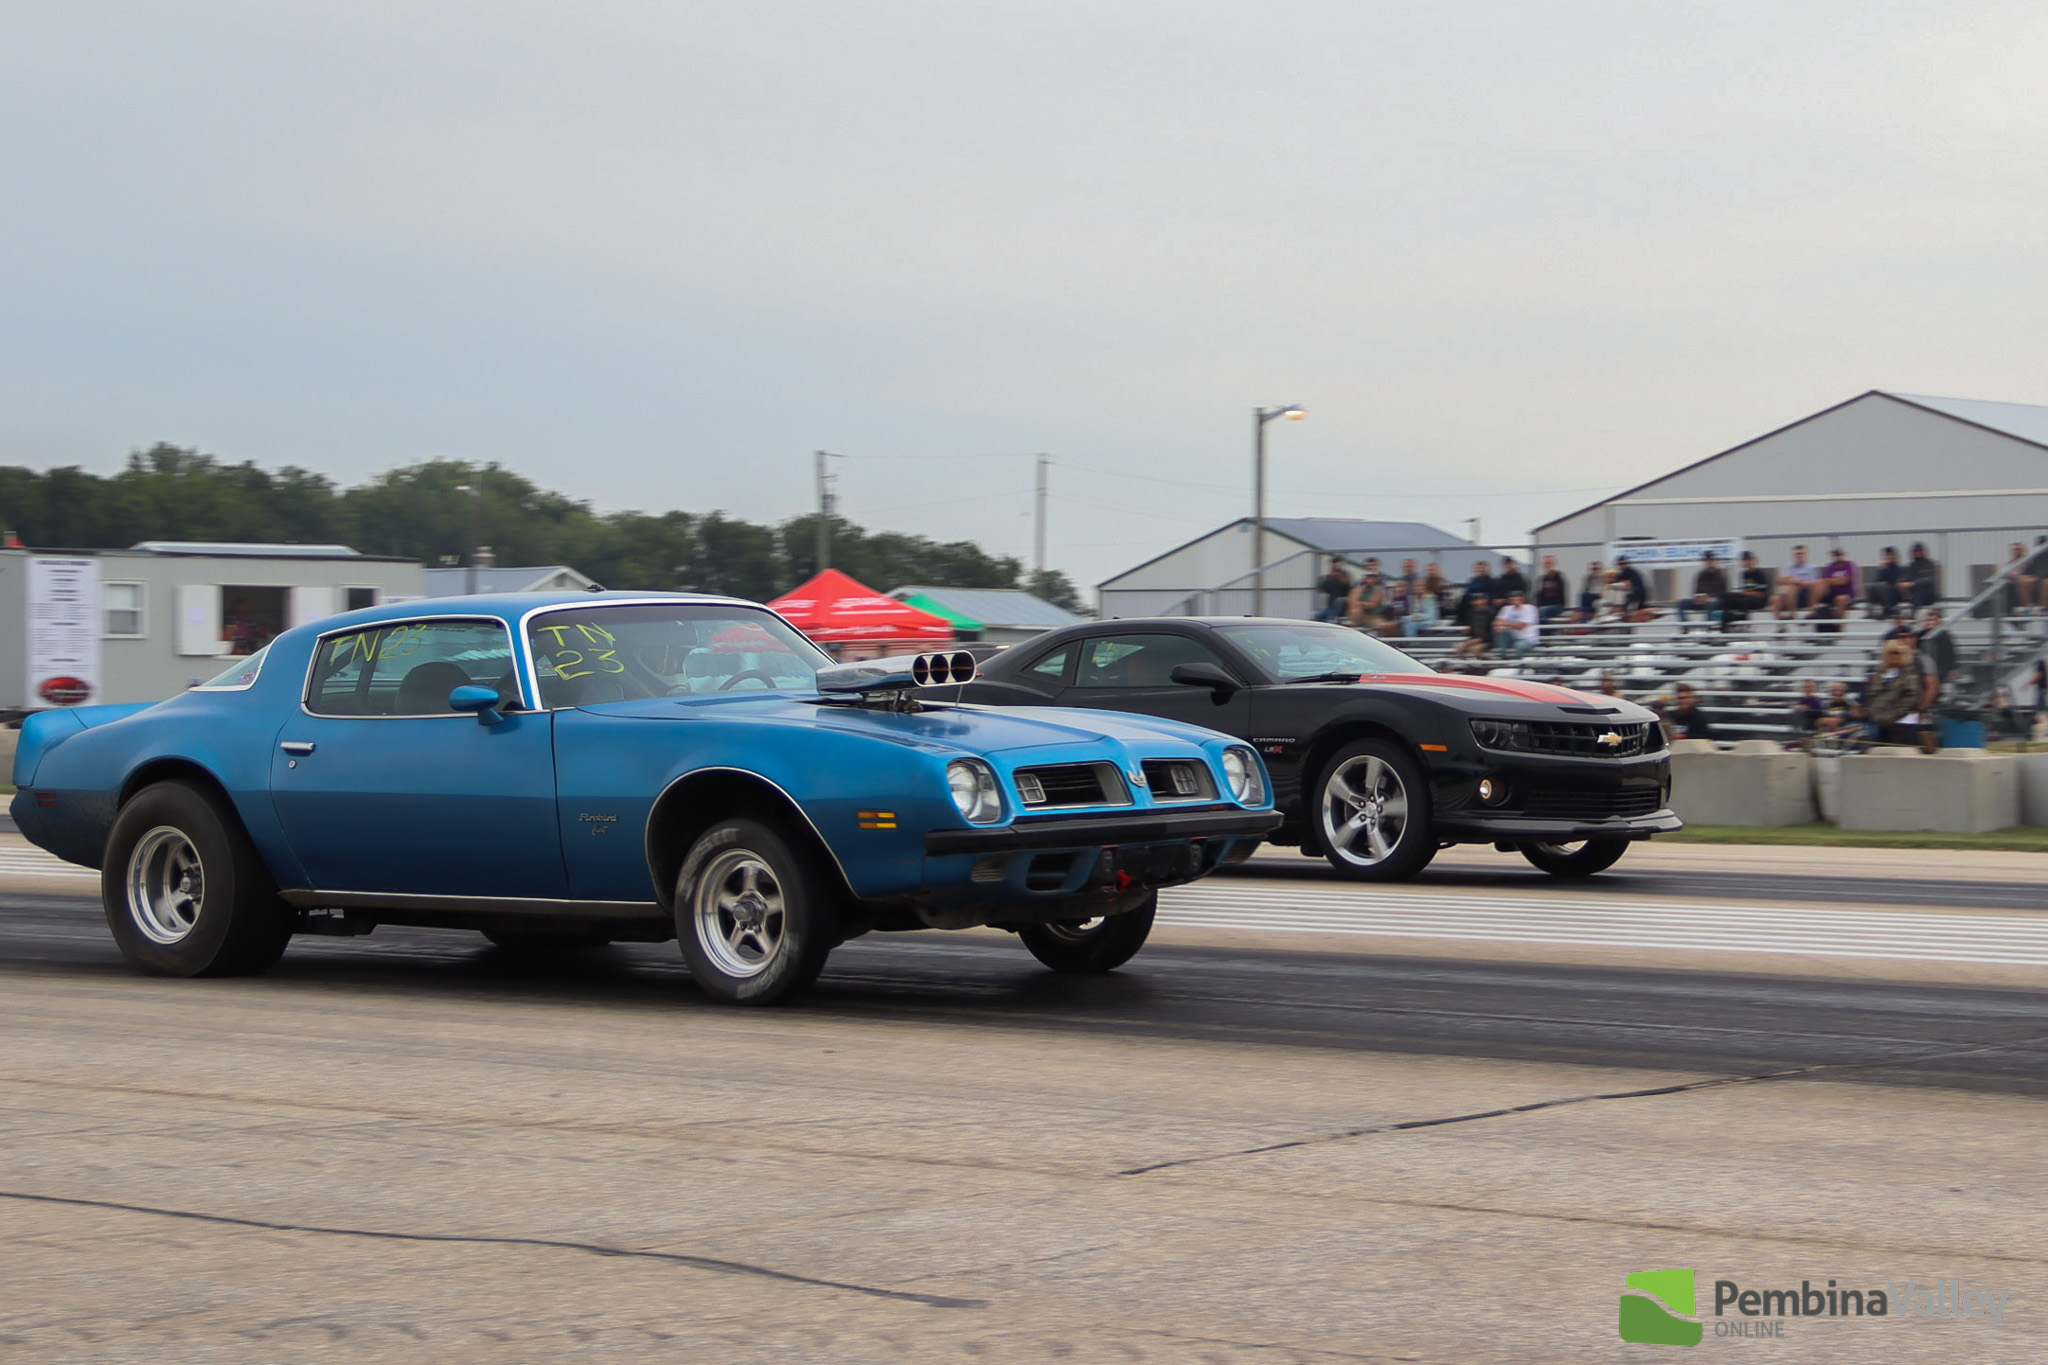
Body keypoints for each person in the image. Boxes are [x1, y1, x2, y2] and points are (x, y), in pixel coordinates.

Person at [1864, 637, 1938, 750]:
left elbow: (1912, 698)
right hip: (1881, 724)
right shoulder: (1879, 675)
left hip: (1904, 725)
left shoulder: (1910, 674)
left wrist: (1890, 716)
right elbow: (1873, 697)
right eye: (1890, 653)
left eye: (1897, 653)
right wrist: (1876, 715)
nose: (1893, 656)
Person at [1719, 551, 1772, 631]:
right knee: (1725, 596)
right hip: (1746, 597)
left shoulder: (1760, 574)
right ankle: (1727, 618)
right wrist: (1743, 593)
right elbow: (1744, 591)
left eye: (1747, 560)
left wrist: (1746, 593)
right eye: (1744, 560)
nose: (1745, 562)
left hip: (1759, 600)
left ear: (1752, 561)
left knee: (1743, 600)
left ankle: (1742, 616)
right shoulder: (1744, 574)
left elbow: (1762, 593)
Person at [1676, 551, 1726, 626]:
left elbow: (1723, 592)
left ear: (1714, 561)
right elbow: (1695, 591)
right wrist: (1698, 597)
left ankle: (1707, 627)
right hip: (1702, 601)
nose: (1709, 562)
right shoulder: (1700, 575)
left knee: (1711, 604)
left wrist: (1709, 597)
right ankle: (1686, 626)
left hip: (1714, 601)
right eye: (1707, 560)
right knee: (1681, 603)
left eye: (1711, 560)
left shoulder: (1721, 575)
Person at [1773, 544, 1820, 618]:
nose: (1799, 555)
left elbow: (1815, 585)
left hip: (1807, 595)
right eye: (1797, 554)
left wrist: (1798, 582)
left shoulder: (1813, 568)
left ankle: (1808, 613)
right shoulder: (1790, 567)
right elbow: (1784, 580)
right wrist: (1789, 581)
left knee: (1793, 587)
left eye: (1801, 553)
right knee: (1775, 599)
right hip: (1791, 596)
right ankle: (1782, 626)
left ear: (1806, 554)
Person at [1915, 607, 1956, 685]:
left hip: (1939, 670)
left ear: (1939, 621)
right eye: (1928, 620)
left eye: (1934, 620)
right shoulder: (1919, 635)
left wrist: (1951, 669)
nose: (1931, 622)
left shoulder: (1944, 636)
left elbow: (1950, 653)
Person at [1493, 590, 1539, 659]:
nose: (1516, 601)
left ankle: (1520, 664)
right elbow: (1497, 623)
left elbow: (1521, 626)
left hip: (1527, 639)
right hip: (1512, 637)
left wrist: (1506, 623)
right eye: (1513, 600)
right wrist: (1499, 626)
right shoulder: (1506, 608)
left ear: (1523, 599)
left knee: (1519, 645)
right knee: (1499, 633)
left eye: (1518, 599)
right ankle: (1503, 659)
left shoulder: (1530, 608)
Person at [1347, 567, 1388, 632]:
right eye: (1368, 577)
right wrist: (1359, 593)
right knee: (1355, 610)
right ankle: (1354, 627)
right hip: (1361, 615)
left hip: (1374, 616)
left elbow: (1373, 605)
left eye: (1372, 578)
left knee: (1382, 626)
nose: (1370, 580)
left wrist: (1360, 603)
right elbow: (1352, 602)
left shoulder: (1380, 590)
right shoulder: (1358, 589)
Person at [1867, 546, 1904, 618]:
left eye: (1891, 555)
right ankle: (1870, 611)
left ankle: (1887, 611)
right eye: (1887, 555)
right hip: (1883, 594)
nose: (1889, 557)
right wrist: (1882, 570)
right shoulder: (1883, 569)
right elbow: (1877, 581)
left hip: (1894, 594)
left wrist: (1887, 571)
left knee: (1885, 586)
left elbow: (1897, 583)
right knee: (1871, 586)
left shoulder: (1899, 569)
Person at [1456, 560, 1495, 627]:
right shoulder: (1473, 580)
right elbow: (1469, 592)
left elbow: (1492, 593)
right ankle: (1461, 620)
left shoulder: (1492, 581)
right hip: (1473, 599)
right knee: (1464, 598)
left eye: (1483, 568)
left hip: (1485, 600)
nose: (1481, 570)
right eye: (1479, 568)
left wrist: (1482, 600)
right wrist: (1473, 600)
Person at [1821, 548, 1859, 617]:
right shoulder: (1831, 566)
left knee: (1840, 599)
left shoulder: (1849, 565)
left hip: (1848, 594)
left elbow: (1847, 579)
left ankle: (1839, 623)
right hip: (1833, 594)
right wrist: (1840, 580)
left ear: (1844, 555)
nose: (1838, 557)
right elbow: (1826, 580)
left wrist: (1833, 580)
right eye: (1836, 555)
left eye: (1840, 555)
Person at [1454, 594, 1494, 658]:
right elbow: (1471, 628)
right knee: (1459, 647)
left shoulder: (1492, 613)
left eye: (1478, 600)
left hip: (1488, 641)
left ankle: (1480, 665)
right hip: (1474, 639)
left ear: (1485, 600)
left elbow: (1493, 631)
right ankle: (1464, 663)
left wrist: (1481, 639)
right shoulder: (1471, 613)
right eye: (1474, 600)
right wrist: (1468, 631)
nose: (1476, 602)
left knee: (1475, 649)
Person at [1314, 558, 1352, 622]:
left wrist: (1339, 577)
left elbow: (1347, 585)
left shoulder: (1344, 575)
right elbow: (1323, 589)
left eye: (1336, 564)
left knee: (1325, 616)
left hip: (1341, 604)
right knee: (1318, 616)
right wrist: (1327, 579)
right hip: (1331, 604)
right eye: (1333, 564)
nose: (1334, 566)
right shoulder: (1330, 577)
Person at [1534, 554, 1569, 623]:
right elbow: (1539, 594)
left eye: (1549, 563)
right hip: (1545, 605)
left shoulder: (1559, 577)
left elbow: (1560, 596)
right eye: (1545, 563)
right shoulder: (1542, 579)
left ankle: (1547, 631)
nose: (1547, 565)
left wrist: (1543, 606)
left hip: (1557, 605)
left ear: (1554, 564)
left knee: (1543, 611)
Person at [1907, 542, 1940, 609]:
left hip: (1929, 594)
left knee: (1921, 589)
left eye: (1919, 551)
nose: (1918, 553)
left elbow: (1930, 579)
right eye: (1916, 551)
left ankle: (1916, 613)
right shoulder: (1911, 566)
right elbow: (1907, 579)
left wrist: (1915, 583)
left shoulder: (1930, 564)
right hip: (1915, 595)